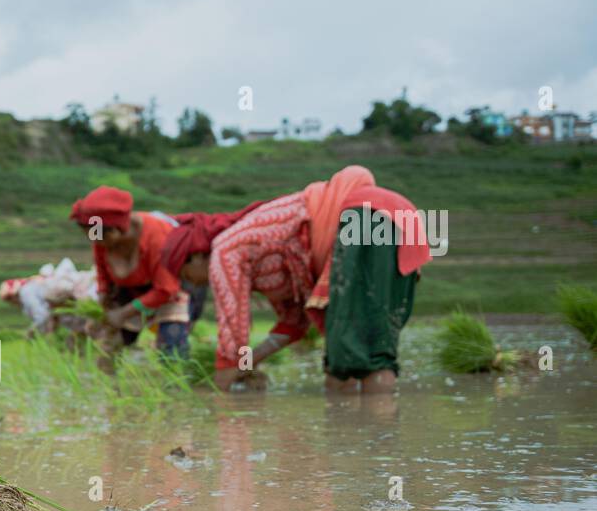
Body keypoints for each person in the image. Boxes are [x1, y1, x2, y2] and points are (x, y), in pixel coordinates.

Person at [175, 166, 432, 393]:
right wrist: (248, 365)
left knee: (369, 354)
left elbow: (233, 328)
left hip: (367, 219)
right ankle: (357, 439)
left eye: (187, 276)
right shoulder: (268, 254)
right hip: (401, 219)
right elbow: (294, 323)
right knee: (344, 358)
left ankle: (377, 441)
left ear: (197, 257)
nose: (196, 285)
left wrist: (220, 387)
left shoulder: (223, 249)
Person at [68, 186, 265, 359]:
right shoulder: (99, 235)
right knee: (110, 346)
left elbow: (166, 288)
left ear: (117, 230)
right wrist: (104, 300)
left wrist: (122, 313)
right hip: (131, 288)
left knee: (172, 349)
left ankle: (176, 389)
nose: (98, 244)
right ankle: (108, 384)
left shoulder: (157, 236)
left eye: (103, 238)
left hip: (173, 289)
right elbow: (103, 272)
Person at [0, 258, 98, 334]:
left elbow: (42, 316)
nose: (11, 302)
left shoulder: (26, 293)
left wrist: (32, 332)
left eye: (9, 298)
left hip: (77, 299)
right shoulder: (31, 288)